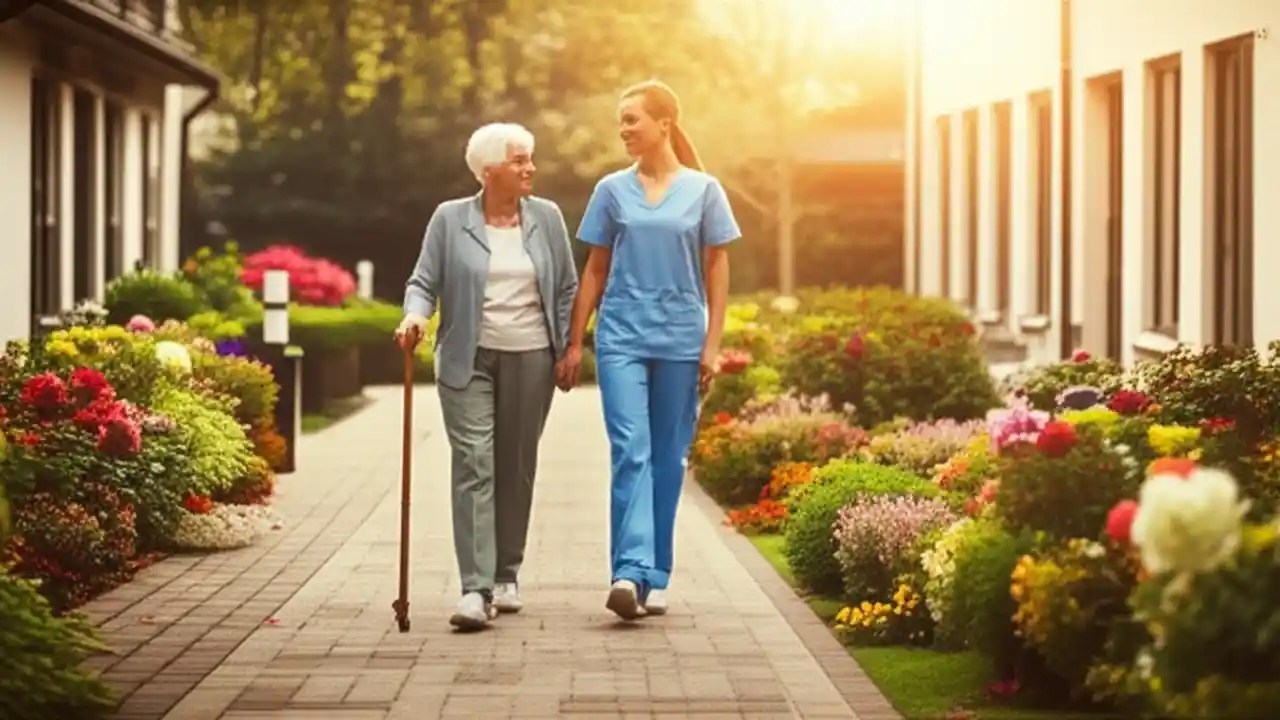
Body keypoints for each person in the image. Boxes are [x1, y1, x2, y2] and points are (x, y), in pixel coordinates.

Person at [557, 80, 740, 620]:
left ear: (664, 122)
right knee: (630, 450)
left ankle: (653, 573)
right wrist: (573, 342)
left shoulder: (705, 190)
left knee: (667, 459)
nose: (624, 129)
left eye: (632, 118)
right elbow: (594, 268)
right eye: (622, 120)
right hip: (622, 338)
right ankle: (629, 572)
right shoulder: (611, 190)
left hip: (682, 340)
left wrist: (712, 344)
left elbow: (716, 267)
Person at [395, 122, 578, 630]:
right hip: (467, 359)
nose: (530, 168)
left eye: (530, 158)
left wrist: (570, 347)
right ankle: (475, 589)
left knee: (516, 467)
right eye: (519, 161)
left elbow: (566, 287)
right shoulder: (450, 219)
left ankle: (505, 575)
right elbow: (422, 281)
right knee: (475, 464)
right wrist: (414, 316)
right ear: (489, 170)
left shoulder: (547, 217)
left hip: (532, 357)